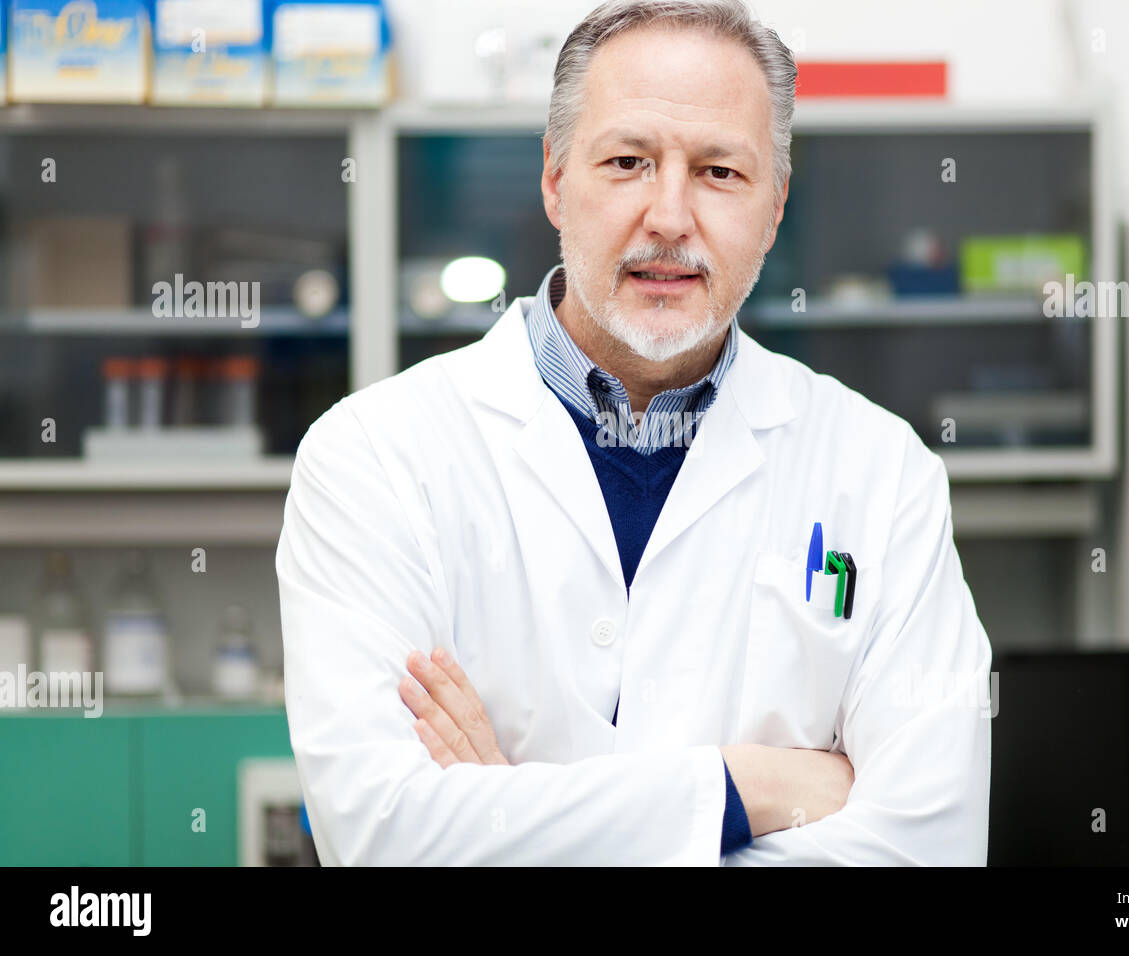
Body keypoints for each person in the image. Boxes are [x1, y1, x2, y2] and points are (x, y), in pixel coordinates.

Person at [277, 0, 992, 865]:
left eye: (720, 172)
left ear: (774, 208)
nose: (669, 215)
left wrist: (506, 811)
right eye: (627, 161)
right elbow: (387, 834)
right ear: (552, 179)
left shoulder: (884, 478)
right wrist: (745, 790)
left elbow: (930, 849)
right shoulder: (372, 459)